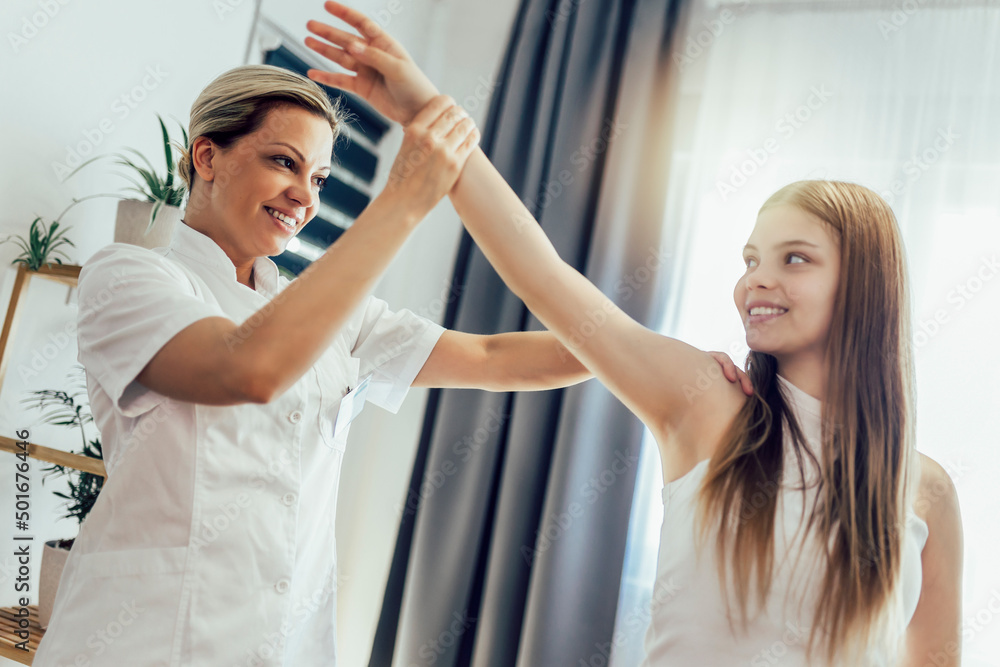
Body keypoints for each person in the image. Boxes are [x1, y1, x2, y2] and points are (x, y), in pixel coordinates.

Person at [303, 3, 964, 666]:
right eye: (749, 260)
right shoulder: (707, 400)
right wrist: (428, 113)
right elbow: (542, 275)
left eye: (794, 259)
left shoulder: (927, 491)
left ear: (865, 286)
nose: (756, 281)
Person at [32, 62, 755, 666]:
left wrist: (671, 355)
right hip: (144, 640)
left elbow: (502, 358)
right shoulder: (130, 277)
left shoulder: (327, 312)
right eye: (284, 162)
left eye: (319, 177)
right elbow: (245, 369)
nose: (304, 196)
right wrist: (405, 197)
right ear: (207, 156)